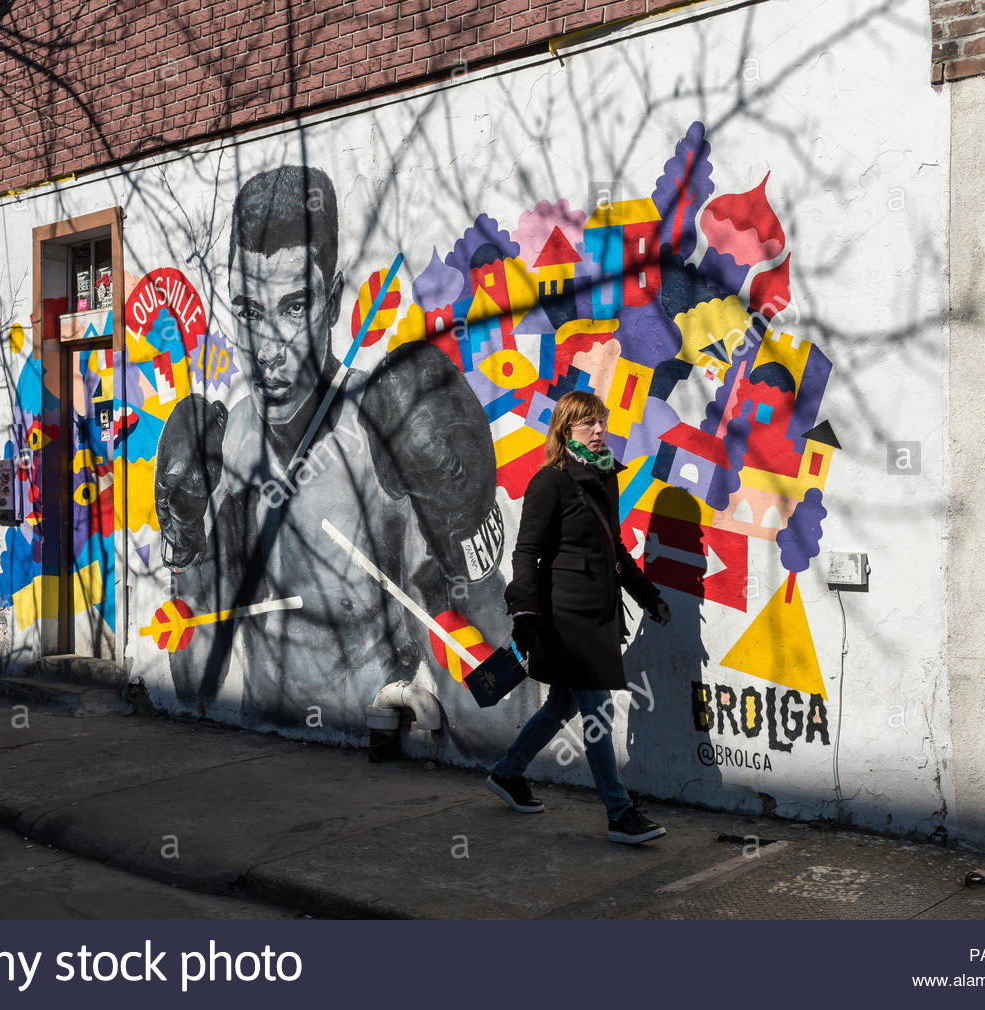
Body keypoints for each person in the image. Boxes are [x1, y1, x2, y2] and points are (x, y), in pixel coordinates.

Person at [153, 165, 512, 732]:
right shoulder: (225, 450)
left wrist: (470, 555)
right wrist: (185, 547)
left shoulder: (380, 444)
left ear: (335, 300)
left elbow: (495, 721)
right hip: (259, 763)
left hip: (368, 769)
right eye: (249, 312)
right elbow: (193, 682)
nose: (267, 350)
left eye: (294, 307)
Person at [485, 390, 672, 844]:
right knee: (596, 709)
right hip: (565, 618)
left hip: (598, 614)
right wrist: (524, 611)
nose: (599, 430)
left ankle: (508, 772)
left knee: (562, 705)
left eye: (601, 421)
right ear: (566, 429)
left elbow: (614, 548)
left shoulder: (604, 478)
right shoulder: (550, 482)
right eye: (589, 423)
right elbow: (526, 551)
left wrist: (647, 596)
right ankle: (619, 812)